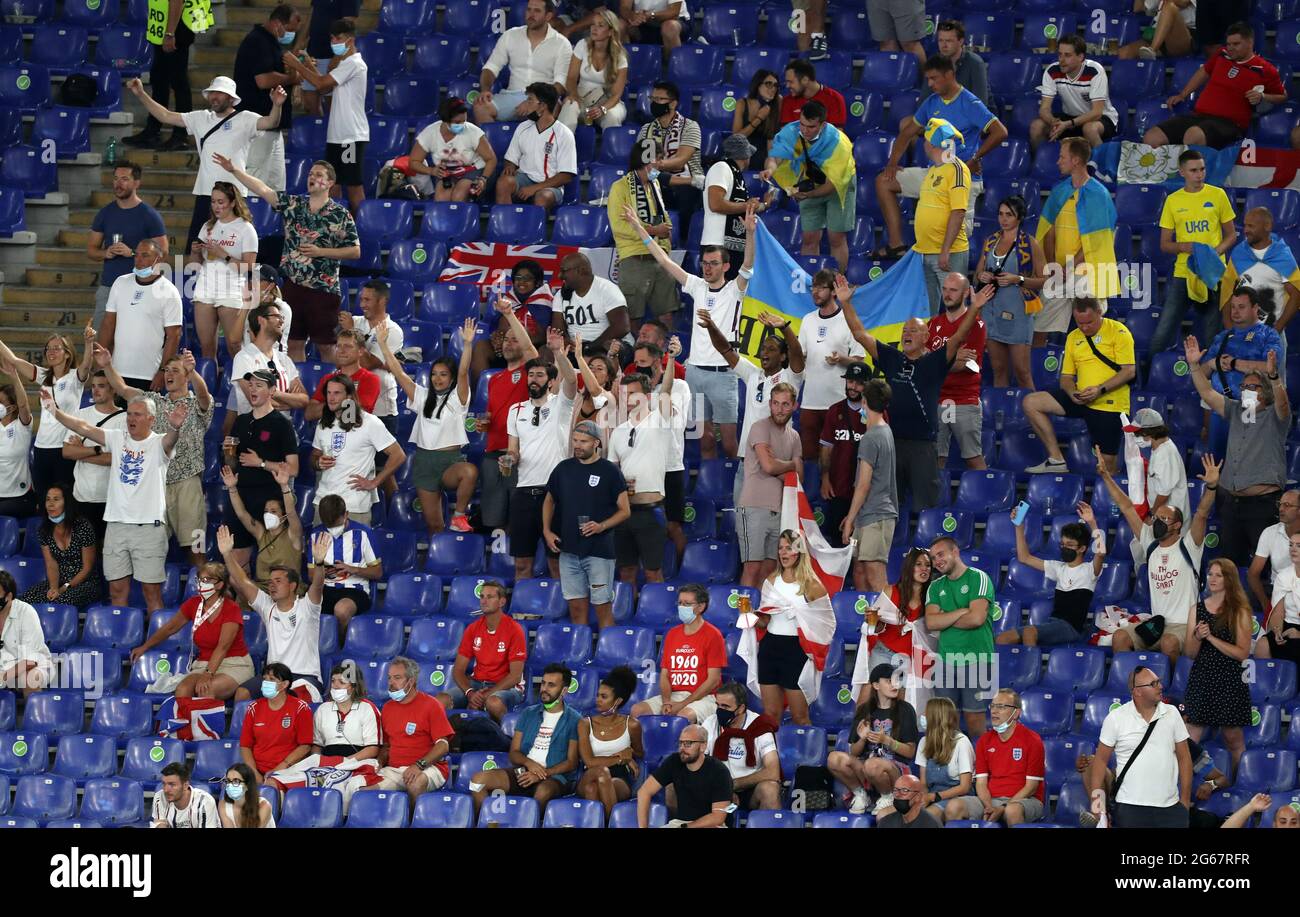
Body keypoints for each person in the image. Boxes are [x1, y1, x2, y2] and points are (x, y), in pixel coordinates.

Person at [835, 274, 992, 511]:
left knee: (926, 506)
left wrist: (974, 308)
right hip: (892, 443)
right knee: (890, 505)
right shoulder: (891, 358)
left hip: (923, 446)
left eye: (914, 331)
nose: (907, 333)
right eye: (905, 330)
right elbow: (859, 334)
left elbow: (959, 336)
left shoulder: (935, 363)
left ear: (927, 338)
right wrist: (845, 302)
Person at [41, 391, 185, 613]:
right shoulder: (118, 438)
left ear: (151, 419)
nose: (131, 419)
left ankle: (155, 643)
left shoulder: (159, 443)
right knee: (117, 590)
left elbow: (170, 441)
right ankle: (122, 641)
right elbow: (83, 427)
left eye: (138, 415)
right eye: (129, 414)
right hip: (116, 526)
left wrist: (175, 428)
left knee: (151, 592)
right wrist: (54, 410)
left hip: (148, 527)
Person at [215, 154, 361, 363]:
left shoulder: (340, 214)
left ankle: (331, 391)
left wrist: (321, 252)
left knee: (326, 346)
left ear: (330, 183)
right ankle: (295, 385)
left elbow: (355, 251)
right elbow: (264, 190)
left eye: (318, 175)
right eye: (310, 174)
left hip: (323, 288)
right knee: (294, 343)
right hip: (293, 285)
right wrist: (235, 171)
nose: (312, 177)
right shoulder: (295, 204)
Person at [126, 75, 283, 253]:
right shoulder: (201, 118)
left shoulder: (245, 118)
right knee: (196, 251)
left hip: (235, 196)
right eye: (212, 93)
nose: (214, 97)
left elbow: (271, 122)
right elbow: (165, 116)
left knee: (233, 251)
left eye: (220, 93)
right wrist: (140, 94)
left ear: (231, 98)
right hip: (205, 193)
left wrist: (277, 105)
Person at [874, 62, 1005, 269]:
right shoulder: (931, 102)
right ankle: (896, 244)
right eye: (928, 79)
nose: (930, 83)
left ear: (950, 75)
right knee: (884, 181)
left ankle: (956, 284)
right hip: (934, 175)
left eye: (934, 78)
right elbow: (907, 132)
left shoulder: (970, 102)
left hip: (961, 176)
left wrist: (975, 159)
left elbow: (1000, 132)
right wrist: (892, 162)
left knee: (955, 237)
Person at [96, 348, 214, 570]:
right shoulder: (152, 401)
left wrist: (194, 372)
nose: (168, 374)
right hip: (153, 486)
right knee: (150, 549)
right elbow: (122, 389)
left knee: (196, 548)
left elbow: (203, 396)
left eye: (175, 370)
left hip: (186, 483)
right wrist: (107, 365)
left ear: (187, 376)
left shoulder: (197, 405)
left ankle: (204, 591)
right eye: (166, 370)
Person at [1184, 337, 1289, 566]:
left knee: (1267, 568)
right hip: (1232, 504)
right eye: (1243, 387)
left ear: (1265, 391)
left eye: (1252, 387)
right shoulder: (1236, 410)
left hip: (1262, 505)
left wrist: (1273, 377)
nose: (1245, 391)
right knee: (1229, 566)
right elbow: (1208, 394)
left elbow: (1282, 404)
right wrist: (1194, 365)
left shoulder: (1275, 416)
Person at [696, 307, 805, 506]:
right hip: (746, 461)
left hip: (776, 460)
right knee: (741, 517)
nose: (764, 353)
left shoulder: (790, 377)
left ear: (782, 357)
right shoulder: (753, 374)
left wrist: (784, 327)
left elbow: (797, 354)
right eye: (763, 348)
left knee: (771, 519)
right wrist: (712, 327)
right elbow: (725, 350)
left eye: (771, 349)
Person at [378, 320, 475, 534]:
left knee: (469, 471)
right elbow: (399, 372)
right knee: (434, 525)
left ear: (450, 378)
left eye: (443, 374)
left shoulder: (459, 398)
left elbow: (463, 372)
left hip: (450, 462)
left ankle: (459, 516)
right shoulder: (422, 395)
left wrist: (467, 344)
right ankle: (438, 562)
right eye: (434, 374)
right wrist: (383, 345)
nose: (437, 378)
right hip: (424, 462)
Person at [1023, 298, 1136, 475]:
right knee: (1031, 402)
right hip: (1081, 399)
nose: (1084, 327)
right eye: (1079, 322)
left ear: (1100, 313)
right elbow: (1066, 378)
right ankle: (1056, 460)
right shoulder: (1073, 337)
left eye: (1089, 322)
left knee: (1106, 467)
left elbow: (1129, 371)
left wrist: (1099, 390)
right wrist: (1072, 392)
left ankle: (1112, 500)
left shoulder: (1119, 331)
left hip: (1109, 403)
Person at [1031, 136, 1125, 343]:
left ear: (1075, 160)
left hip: (1087, 271)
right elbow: (1048, 231)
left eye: (1062, 157)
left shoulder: (1099, 195)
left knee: (1092, 325)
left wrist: (1070, 267)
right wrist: (1052, 267)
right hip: (1059, 272)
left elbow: (1097, 242)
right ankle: (1034, 370)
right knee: (1039, 325)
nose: (1058, 161)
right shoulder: (1059, 191)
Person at [220, 524, 329, 702]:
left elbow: (317, 584)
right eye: (270, 581)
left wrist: (319, 563)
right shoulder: (267, 607)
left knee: (291, 699)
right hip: (273, 676)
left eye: (278, 581)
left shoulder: (308, 607)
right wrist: (227, 555)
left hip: (304, 678)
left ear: (293, 585)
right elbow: (242, 581)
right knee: (242, 694)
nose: (272, 585)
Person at [1148, 149, 1238, 356]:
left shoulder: (1218, 195)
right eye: (1194, 170)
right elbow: (1164, 244)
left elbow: (1231, 235)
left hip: (1213, 275)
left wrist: (1212, 255)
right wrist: (1184, 247)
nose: (1199, 175)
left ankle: (1211, 384)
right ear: (1182, 173)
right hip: (1183, 274)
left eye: (1202, 169)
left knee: (1211, 334)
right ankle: (1145, 378)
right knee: (1163, 331)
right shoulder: (1173, 200)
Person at [1145, 22, 1287, 150]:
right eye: (1228, 44)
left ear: (1250, 42)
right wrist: (1183, 94)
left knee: (1193, 135)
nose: (1230, 48)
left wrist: (1262, 96)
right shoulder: (1222, 54)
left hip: (1230, 124)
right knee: (1152, 137)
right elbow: (1204, 71)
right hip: (1199, 117)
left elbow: (1282, 96)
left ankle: (1189, 176)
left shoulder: (1265, 69)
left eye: (1236, 44)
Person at [883, 116, 976, 311]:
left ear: (933, 144)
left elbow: (958, 213)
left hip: (948, 254)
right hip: (926, 252)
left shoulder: (958, 169)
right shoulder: (934, 170)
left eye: (926, 140)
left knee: (955, 307)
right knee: (929, 308)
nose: (923, 144)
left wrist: (945, 250)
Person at [543, 421, 631, 629]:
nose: (578, 445)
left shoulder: (610, 471)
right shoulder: (563, 468)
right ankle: (579, 653)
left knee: (602, 607)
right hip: (568, 549)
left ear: (596, 443)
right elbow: (548, 500)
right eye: (575, 440)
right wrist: (547, 531)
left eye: (583, 441)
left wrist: (601, 526)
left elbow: (625, 510)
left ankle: (607, 655)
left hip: (599, 551)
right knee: (576, 608)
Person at [507, 330, 578, 580]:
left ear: (550, 381)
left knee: (557, 564)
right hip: (524, 492)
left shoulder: (560, 404)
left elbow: (571, 381)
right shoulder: (515, 410)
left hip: (557, 493)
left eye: (539, 375)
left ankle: (561, 616)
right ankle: (521, 613)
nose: (534, 379)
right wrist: (509, 460)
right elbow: (513, 451)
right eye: (531, 375)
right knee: (521, 564)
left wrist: (558, 352)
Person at [265, 660, 382, 808]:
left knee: (335, 784)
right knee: (277, 779)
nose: (335, 685)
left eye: (341, 682)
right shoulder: (323, 709)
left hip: (356, 763)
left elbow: (373, 749)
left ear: (353, 686)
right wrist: (322, 762)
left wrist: (345, 761)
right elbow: (317, 747)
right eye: (333, 681)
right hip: (325, 763)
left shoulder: (367, 708)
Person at [467, 663, 581, 815]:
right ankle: (486, 823)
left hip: (555, 777)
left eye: (551, 685)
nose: (544, 689)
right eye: (543, 683)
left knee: (543, 791)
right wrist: (529, 764)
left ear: (564, 691)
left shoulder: (575, 719)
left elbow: (571, 763)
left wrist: (541, 773)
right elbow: (514, 753)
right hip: (524, 770)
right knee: (478, 781)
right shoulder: (528, 713)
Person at [129, 562, 253, 701]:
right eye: (199, 579)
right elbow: (170, 628)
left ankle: (206, 723)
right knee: (183, 689)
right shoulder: (193, 604)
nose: (201, 584)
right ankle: (184, 723)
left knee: (207, 689)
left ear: (219, 584)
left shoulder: (231, 608)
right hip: (204, 663)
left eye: (207, 580)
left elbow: (223, 647)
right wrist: (145, 646)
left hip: (234, 664)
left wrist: (208, 675)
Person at [281, 19, 369, 213]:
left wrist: (296, 64)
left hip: (350, 136)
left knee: (353, 187)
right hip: (337, 135)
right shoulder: (345, 63)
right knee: (333, 185)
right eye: (332, 38)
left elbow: (321, 84)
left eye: (339, 38)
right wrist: (307, 64)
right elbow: (325, 84)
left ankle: (360, 232)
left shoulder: (354, 63)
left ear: (350, 40)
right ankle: (336, 229)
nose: (334, 42)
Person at [1089, 666, 1193, 828]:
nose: (1160, 686)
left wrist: (1185, 801)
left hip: (1170, 808)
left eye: (1159, 682)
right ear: (1137, 691)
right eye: (1153, 684)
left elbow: (1184, 758)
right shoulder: (1116, 718)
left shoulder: (1172, 713)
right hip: (1130, 808)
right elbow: (1100, 761)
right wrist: (1097, 805)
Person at [760, 101, 856, 271]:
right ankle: (809, 284)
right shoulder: (791, 131)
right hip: (809, 182)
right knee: (809, 237)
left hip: (838, 186)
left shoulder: (839, 144)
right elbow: (775, 157)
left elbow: (832, 185)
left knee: (836, 237)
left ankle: (838, 284)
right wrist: (769, 169)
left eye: (811, 127)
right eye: (802, 124)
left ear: (823, 125)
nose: (805, 130)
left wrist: (808, 195)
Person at [221, 369, 300, 568]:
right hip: (241, 496)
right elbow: (234, 464)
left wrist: (261, 463)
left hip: (269, 499)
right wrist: (229, 456)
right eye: (251, 385)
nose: (252, 389)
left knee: (274, 562)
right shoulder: (241, 421)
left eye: (259, 385)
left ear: (272, 391)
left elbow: (293, 468)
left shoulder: (282, 424)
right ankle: (242, 599)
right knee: (238, 559)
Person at [607, 366, 675, 593]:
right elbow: (612, 472)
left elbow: (666, 390)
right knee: (626, 572)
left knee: (653, 572)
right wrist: (618, 486)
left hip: (650, 511)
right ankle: (627, 620)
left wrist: (673, 359)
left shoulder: (659, 421)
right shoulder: (618, 432)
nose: (628, 400)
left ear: (647, 397)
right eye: (625, 395)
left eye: (634, 394)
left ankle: (658, 618)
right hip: (623, 512)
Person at [753, 530, 832, 726]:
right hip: (770, 648)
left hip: (796, 650)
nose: (783, 553)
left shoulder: (811, 585)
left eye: (788, 548)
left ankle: (804, 756)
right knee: (771, 715)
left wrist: (802, 621)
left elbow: (827, 622)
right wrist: (750, 615)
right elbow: (764, 622)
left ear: (799, 551)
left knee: (800, 716)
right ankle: (772, 755)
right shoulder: (770, 581)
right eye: (780, 548)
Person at [1183, 558, 1253, 777]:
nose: (1212, 579)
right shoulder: (1197, 609)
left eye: (1218, 575)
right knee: (1188, 739)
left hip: (1230, 679)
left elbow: (1242, 653)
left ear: (1229, 579)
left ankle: (1236, 784)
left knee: (1233, 739)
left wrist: (1211, 638)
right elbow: (1190, 653)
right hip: (1202, 676)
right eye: (1210, 574)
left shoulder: (1239, 611)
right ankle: (1183, 789)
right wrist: (1196, 636)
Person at [998, 505, 1103, 648]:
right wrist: (1019, 526)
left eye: (1070, 545)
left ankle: (1029, 668)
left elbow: (1101, 553)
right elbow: (1024, 558)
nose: (1065, 548)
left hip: (1071, 628)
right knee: (1003, 638)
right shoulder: (1058, 567)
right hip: (1052, 623)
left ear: (1082, 548)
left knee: (1029, 632)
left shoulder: (1090, 570)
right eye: (1063, 544)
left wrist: (1092, 522)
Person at [1198, 286, 1285, 459]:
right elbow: (1201, 374)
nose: (1236, 312)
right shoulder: (1222, 337)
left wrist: (1235, 363)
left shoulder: (1269, 335)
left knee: (1245, 461)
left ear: (1255, 308)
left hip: (1252, 406)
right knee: (1217, 463)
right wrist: (1212, 363)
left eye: (1242, 307)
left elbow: (1270, 368)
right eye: (1233, 307)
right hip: (1220, 405)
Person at [0, 334, 89, 499]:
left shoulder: (75, 377)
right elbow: (12, 359)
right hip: (41, 448)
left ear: (68, 353)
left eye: (57, 348)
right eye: (48, 348)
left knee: (65, 500)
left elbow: (86, 366)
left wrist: (89, 343)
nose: (51, 352)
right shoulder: (43, 376)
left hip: (63, 449)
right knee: (44, 499)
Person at [924, 536, 996, 735]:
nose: (937, 561)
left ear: (955, 552)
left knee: (974, 719)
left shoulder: (978, 577)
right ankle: (952, 765)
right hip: (945, 661)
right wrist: (962, 611)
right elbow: (930, 623)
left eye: (940, 554)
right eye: (933, 558)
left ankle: (978, 766)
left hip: (978, 659)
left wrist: (944, 619)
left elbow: (977, 619)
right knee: (945, 721)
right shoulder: (935, 586)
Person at [310, 376, 404, 526]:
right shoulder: (323, 423)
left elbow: (398, 455)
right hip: (323, 503)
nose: (331, 398)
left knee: (354, 550)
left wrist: (375, 482)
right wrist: (317, 462)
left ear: (349, 396)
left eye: (337, 393)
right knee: (320, 549)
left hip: (354, 505)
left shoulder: (369, 422)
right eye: (328, 393)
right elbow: (314, 455)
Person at [86, 161, 168, 333]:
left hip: (140, 286)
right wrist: (106, 252)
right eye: (116, 179)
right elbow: (91, 250)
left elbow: (163, 254)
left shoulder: (149, 216)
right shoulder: (105, 213)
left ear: (136, 183)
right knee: (99, 341)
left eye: (124, 179)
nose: (118, 183)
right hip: (110, 285)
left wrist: (132, 253)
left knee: (134, 336)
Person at [233, 4, 301, 213]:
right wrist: (293, 77)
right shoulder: (257, 41)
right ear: (278, 23)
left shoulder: (271, 42)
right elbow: (263, 80)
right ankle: (249, 227)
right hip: (257, 124)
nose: (291, 34)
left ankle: (275, 231)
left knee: (276, 182)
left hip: (273, 125)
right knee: (255, 180)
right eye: (290, 28)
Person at [942, 688, 1046, 825]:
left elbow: (1031, 787)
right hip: (991, 799)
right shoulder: (984, 740)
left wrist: (1002, 808)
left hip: (1026, 800)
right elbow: (981, 783)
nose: (994, 711)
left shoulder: (1032, 740)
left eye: (1001, 706)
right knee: (953, 807)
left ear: (1016, 713)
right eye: (993, 706)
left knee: (1012, 810)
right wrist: (989, 806)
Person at [829, 663, 919, 815]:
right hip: (867, 768)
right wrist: (863, 739)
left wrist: (887, 741)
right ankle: (860, 795)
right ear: (876, 685)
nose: (894, 685)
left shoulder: (905, 709)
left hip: (895, 771)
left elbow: (910, 752)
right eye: (889, 681)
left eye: (896, 681)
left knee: (873, 765)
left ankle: (887, 796)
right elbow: (854, 752)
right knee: (834, 758)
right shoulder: (864, 710)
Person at [975, 195, 1045, 387]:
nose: (1003, 219)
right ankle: (1003, 413)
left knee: (1022, 371)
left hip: (1018, 313)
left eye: (1009, 215)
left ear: (1019, 218)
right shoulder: (990, 241)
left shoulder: (1030, 244)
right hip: (991, 311)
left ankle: (1031, 412)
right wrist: (982, 276)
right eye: (1000, 214)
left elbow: (1044, 281)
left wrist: (1018, 279)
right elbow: (978, 272)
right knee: (999, 369)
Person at [737, 383, 801, 589]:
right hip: (754, 507)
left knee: (770, 570)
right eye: (775, 403)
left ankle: (762, 616)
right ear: (769, 404)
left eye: (785, 404)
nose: (779, 409)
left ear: (794, 406)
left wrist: (781, 467)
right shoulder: (760, 427)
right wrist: (790, 464)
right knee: (752, 568)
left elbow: (799, 477)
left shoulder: (795, 436)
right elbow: (768, 465)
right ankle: (744, 619)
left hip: (779, 511)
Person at [608, 139, 677, 328]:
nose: (661, 164)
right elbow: (620, 226)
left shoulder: (654, 186)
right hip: (634, 260)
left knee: (667, 316)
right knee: (632, 319)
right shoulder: (620, 187)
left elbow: (663, 217)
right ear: (647, 160)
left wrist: (666, 232)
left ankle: (668, 356)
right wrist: (655, 231)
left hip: (659, 258)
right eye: (659, 159)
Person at [632, 582, 724, 723]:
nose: (682, 607)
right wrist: (667, 701)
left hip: (704, 697)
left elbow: (713, 680)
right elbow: (665, 675)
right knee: (637, 711)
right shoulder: (672, 634)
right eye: (680, 603)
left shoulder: (713, 635)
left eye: (687, 604)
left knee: (683, 716)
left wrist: (683, 704)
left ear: (701, 606)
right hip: (674, 695)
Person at [99, 240, 183, 391]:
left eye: (145, 255)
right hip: (116, 371)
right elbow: (108, 324)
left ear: (160, 258)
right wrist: (99, 363)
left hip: (148, 375)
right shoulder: (120, 283)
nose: (139, 260)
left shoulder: (170, 292)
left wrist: (163, 371)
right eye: (136, 255)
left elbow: (174, 336)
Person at [189, 180, 259, 361]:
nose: (216, 206)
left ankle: (240, 385)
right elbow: (194, 264)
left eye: (221, 202)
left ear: (233, 202)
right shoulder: (208, 226)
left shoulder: (245, 228)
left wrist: (223, 255)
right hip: (205, 288)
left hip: (231, 289)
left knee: (234, 345)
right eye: (213, 201)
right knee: (206, 347)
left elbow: (249, 267)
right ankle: (210, 385)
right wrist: (195, 252)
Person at [439, 580, 528, 723]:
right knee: (440, 700)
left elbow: (515, 676)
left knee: (493, 703)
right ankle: (450, 742)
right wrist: (470, 693)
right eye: (482, 597)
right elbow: (458, 670)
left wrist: (485, 696)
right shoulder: (473, 628)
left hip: (507, 687)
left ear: (502, 602)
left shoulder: (515, 630)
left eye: (490, 597)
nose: (484, 601)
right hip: (477, 684)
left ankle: (507, 741)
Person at [839, 378, 897, 593]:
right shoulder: (885, 430)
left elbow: (863, 484)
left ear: (864, 401)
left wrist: (850, 519)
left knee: (875, 574)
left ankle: (891, 624)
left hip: (877, 515)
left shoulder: (871, 438)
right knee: (860, 570)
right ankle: (865, 622)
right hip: (868, 513)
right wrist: (855, 515)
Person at [474, 0, 572, 124]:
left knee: (548, 110)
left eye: (537, 11)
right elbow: (491, 67)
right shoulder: (510, 35)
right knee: (480, 107)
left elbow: (560, 84)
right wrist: (485, 90)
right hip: (511, 95)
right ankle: (492, 143)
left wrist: (534, 101)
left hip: (543, 99)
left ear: (548, 16)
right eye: (529, 9)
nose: (531, 14)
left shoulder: (562, 44)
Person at [928, 273, 989, 471]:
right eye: (945, 289)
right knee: (936, 458)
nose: (947, 294)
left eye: (953, 290)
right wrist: (953, 358)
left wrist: (938, 360)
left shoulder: (976, 325)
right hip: (937, 400)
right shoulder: (933, 324)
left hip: (964, 400)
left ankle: (984, 500)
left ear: (965, 293)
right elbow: (926, 362)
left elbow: (970, 365)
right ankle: (935, 501)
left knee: (973, 457)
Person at [856, 547, 931, 705]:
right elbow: (876, 625)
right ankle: (857, 727)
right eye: (919, 564)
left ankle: (895, 730)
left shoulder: (932, 596)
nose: (924, 568)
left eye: (928, 565)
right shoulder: (891, 590)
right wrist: (873, 622)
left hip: (910, 658)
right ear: (909, 567)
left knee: (901, 702)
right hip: (885, 651)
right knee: (871, 689)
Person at [375, 656, 456, 800]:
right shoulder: (387, 708)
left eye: (397, 678)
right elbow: (387, 746)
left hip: (429, 767)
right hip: (395, 770)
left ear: (411, 681)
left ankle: (412, 821)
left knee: (415, 783)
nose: (391, 683)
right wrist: (379, 762)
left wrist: (419, 765)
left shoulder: (431, 705)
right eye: (389, 678)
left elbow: (443, 746)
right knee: (365, 789)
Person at [636, 80, 703, 252]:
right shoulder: (647, 130)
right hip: (660, 180)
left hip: (688, 183)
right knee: (644, 185)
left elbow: (681, 160)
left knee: (687, 193)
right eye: (653, 98)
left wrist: (658, 165)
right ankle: (644, 242)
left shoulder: (690, 126)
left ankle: (683, 243)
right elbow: (645, 165)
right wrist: (654, 167)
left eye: (659, 99)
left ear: (673, 103)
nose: (654, 103)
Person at [220, 463, 303, 594]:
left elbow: (291, 513)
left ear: (283, 515)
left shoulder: (293, 534)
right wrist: (232, 488)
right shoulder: (261, 534)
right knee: (233, 581)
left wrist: (284, 486)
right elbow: (242, 514)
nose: (268, 514)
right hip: (263, 589)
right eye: (266, 511)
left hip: (287, 589)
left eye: (274, 511)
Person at [701, 681, 781, 815]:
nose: (720, 711)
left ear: (741, 708)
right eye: (718, 705)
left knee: (770, 789)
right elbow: (700, 762)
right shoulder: (710, 723)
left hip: (749, 790)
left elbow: (773, 772)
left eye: (725, 707)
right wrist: (724, 790)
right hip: (717, 789)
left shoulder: (759, 726)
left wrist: (734, 785)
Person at [1029, 35, 1120, 152]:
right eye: (1060, 54)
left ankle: (1101, 167)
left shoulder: (1095, 71)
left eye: (1067, 55)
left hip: (1101, 118)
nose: (1061, 60)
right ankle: (1040, 164)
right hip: (1070, 117)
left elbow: (1097, 113)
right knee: (1036, 126)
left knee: (1089, 129)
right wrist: (1054, 122)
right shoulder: (1052, 71)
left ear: (1080, 57)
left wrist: (1067, 124)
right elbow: (1044, 109)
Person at [496, 83, 576, 213]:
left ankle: (533, 232)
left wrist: (534, 188)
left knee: (542, 197)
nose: (525, 103)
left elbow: (566, 176)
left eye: (530, 100)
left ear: (543, 106)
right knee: (504, 182)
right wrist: (509, 166)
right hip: (524, 178)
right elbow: (510, 158)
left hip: (550, 185)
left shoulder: (564, 134)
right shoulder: (523, 127)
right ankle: (507, 227)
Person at [312, 495, 383, 642]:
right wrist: (322, 570)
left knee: (341, 610)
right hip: (324, 588)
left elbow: (378, 572)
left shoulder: (363, 533)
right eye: (329, 526)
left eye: (336, 524)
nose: (333, 530)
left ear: (346, 514)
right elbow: (311, 575)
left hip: (355, 590)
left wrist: (353, 569)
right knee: (303, 607)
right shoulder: (316, 535)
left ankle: (340, 646)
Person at [576, 666, 645, 817]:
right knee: (601, 772)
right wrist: (621, 758)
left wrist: (630, 752)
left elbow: (639, 753)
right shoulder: (585, 724)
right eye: (598, 695)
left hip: (619, 779)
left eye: (604, 697)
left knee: (592, 790)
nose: (598, 700)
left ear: (618, 701)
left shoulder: (632, 724)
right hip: (589, 774)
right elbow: (590, 761)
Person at [342, 279, 405, 442]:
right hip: (352, 407)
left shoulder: (392, 330)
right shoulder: (355, 321)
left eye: (367, 300)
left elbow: (366, 364)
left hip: (382, 410)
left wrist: (350, 332)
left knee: (381, 465)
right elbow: (340, 360)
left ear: (382, 301)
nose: (362, 305)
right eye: (361, 299)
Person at [1224, 207, 1300, 341]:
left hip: (1271, 335)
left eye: (1251, 226)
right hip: (1240, 335)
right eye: (1245, 225)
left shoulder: (1282, 255)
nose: (1246, 230)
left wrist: (1276, 331)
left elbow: (1296, 293)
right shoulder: (1238, 254)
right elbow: (1227, 294)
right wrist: (1230, 331)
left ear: (1267, 226)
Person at [18, 486, 100, 611]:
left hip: (85, 583)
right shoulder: (44, 530)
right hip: (59, 582)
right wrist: (54, 588)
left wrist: (65, 587)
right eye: (48, 500)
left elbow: (87, 568)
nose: (51, 504)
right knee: (22, 602)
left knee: (61, 601)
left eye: (56, 499)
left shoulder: (83, 527)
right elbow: (51, 564)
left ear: (66, 503)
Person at [636, 723, 732, 828]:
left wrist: (687, 826)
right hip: (680, 823)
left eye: (688, 743)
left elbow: (718, 817)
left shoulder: (719, 771)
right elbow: (644, 791)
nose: (682, 748)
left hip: (711, 825)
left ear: (703, 746)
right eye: (680, 743)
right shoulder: (674, 761)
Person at [228, 303, 306, 427]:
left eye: (282, 318)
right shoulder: (244, 358)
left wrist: (273, 393)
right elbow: (256, 400)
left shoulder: (284, 359)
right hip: (255, 432)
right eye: (277, 317)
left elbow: (303, 400)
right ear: (261, 320)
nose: (281, 321)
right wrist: (290, 400)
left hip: (283, 433)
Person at [702, 134, 767, 280]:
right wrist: (747, 205)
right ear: (745, 156)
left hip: (729, 245)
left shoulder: (734, 174)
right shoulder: (721, 168)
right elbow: (716, 204)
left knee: (730, 296)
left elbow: (742, 207)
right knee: (716, 294)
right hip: (717, 245)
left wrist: (764, 204)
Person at [406, 97, 496, 202]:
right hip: (446, 173)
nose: (461, 125)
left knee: (459, 196)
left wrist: (483, 179)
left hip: (475, 169)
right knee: (441, 198)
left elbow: (491, 159)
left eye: (464, 121)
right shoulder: (430, 132)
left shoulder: (473, 132)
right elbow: (414, 161)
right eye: (457, 122)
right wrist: (431, 171)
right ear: (445, 120)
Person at [818, 362, 868, 551]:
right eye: (850, 381)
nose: (853, 387)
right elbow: (825, 448)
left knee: (860, 544)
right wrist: (824, 478)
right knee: (838, 541)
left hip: (864, 492)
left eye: (858, 383)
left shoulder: (875, 413)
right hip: (838, 488)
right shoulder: (835, 410)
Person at [65, 369, 121, 532]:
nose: (95, 390)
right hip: (82, 496)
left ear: (114, 389)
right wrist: (96, 450)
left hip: (111, 498)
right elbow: (67, 452)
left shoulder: (124, 418)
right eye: (94, 386)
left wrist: (82, 451)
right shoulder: (80, 415)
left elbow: (114, 459)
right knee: (84, 551)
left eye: (101, 386)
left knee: (108, 552)